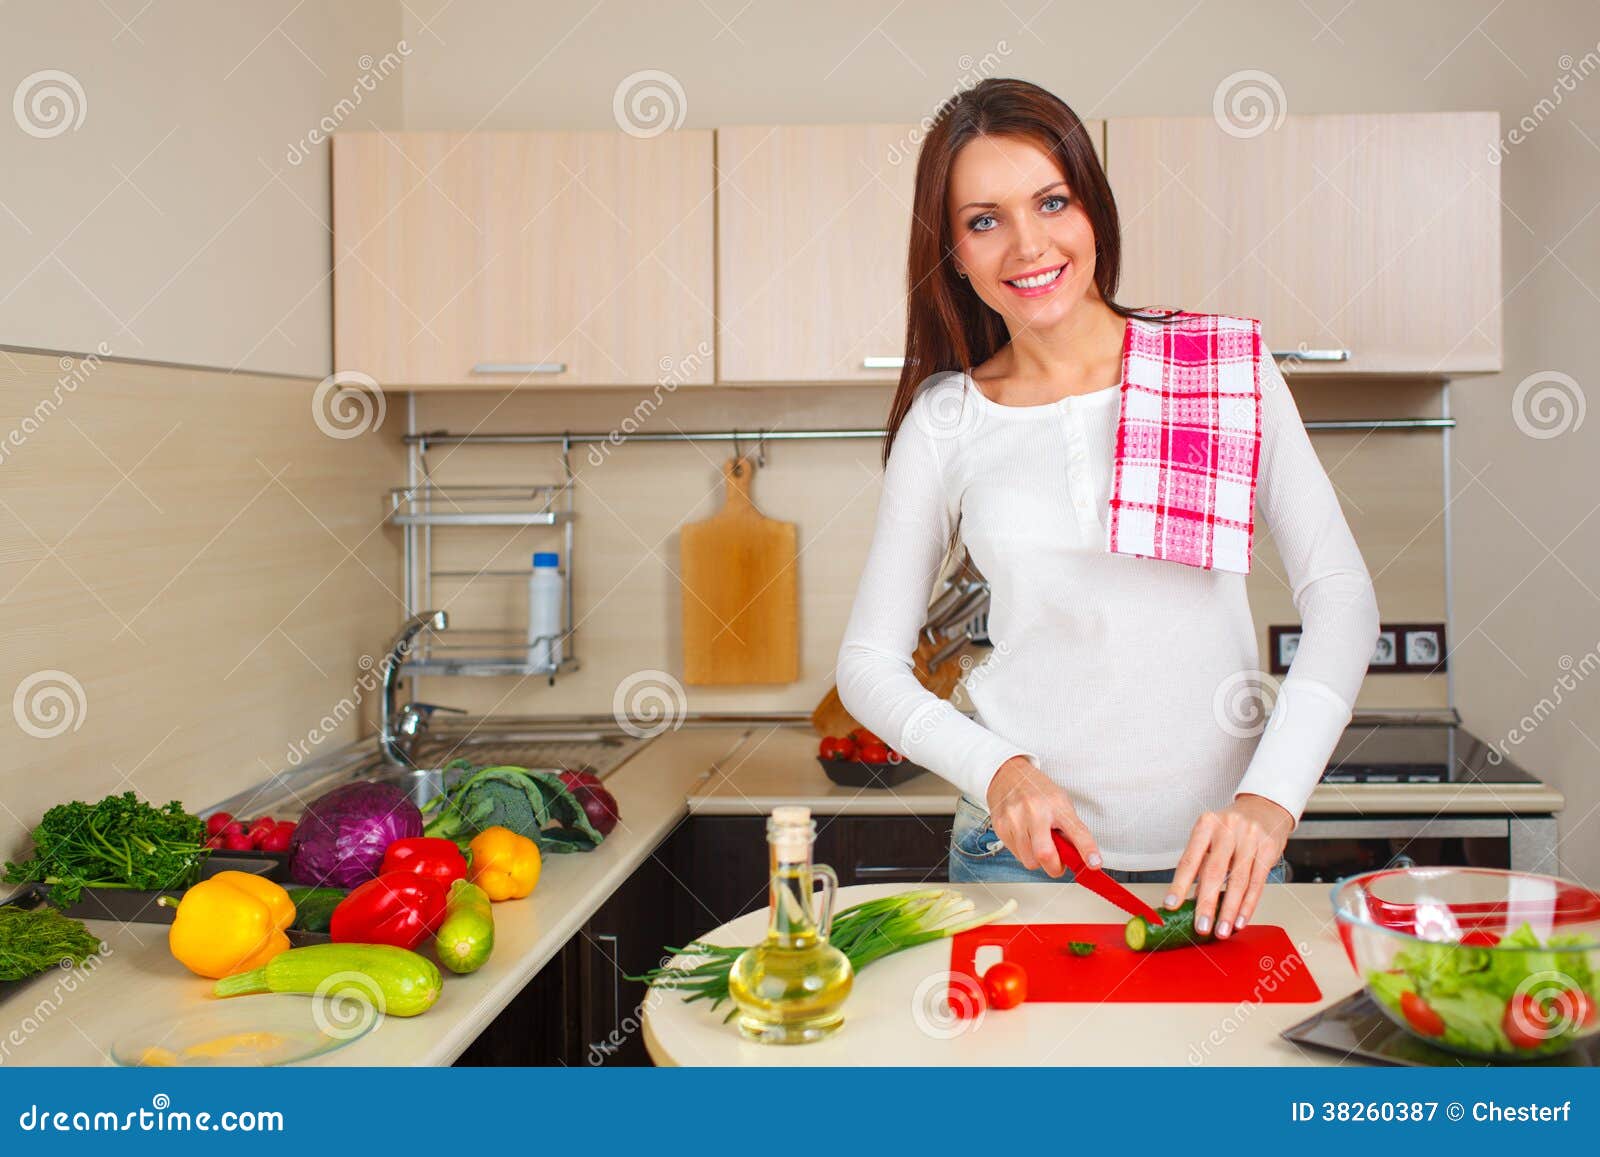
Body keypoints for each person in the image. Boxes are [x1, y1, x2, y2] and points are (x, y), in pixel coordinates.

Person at [836, 78, 1380, 940]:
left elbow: (1343, 599)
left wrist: (1269, 804)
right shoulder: (946, 420)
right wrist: (1000, 769)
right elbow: (866, 664)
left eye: (1052, 201)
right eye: (985, 220)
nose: (1027, 243)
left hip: (1224, 866)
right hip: (1025, 860)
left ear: (1093, 206)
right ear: (953, 251)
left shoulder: (1217, 368)